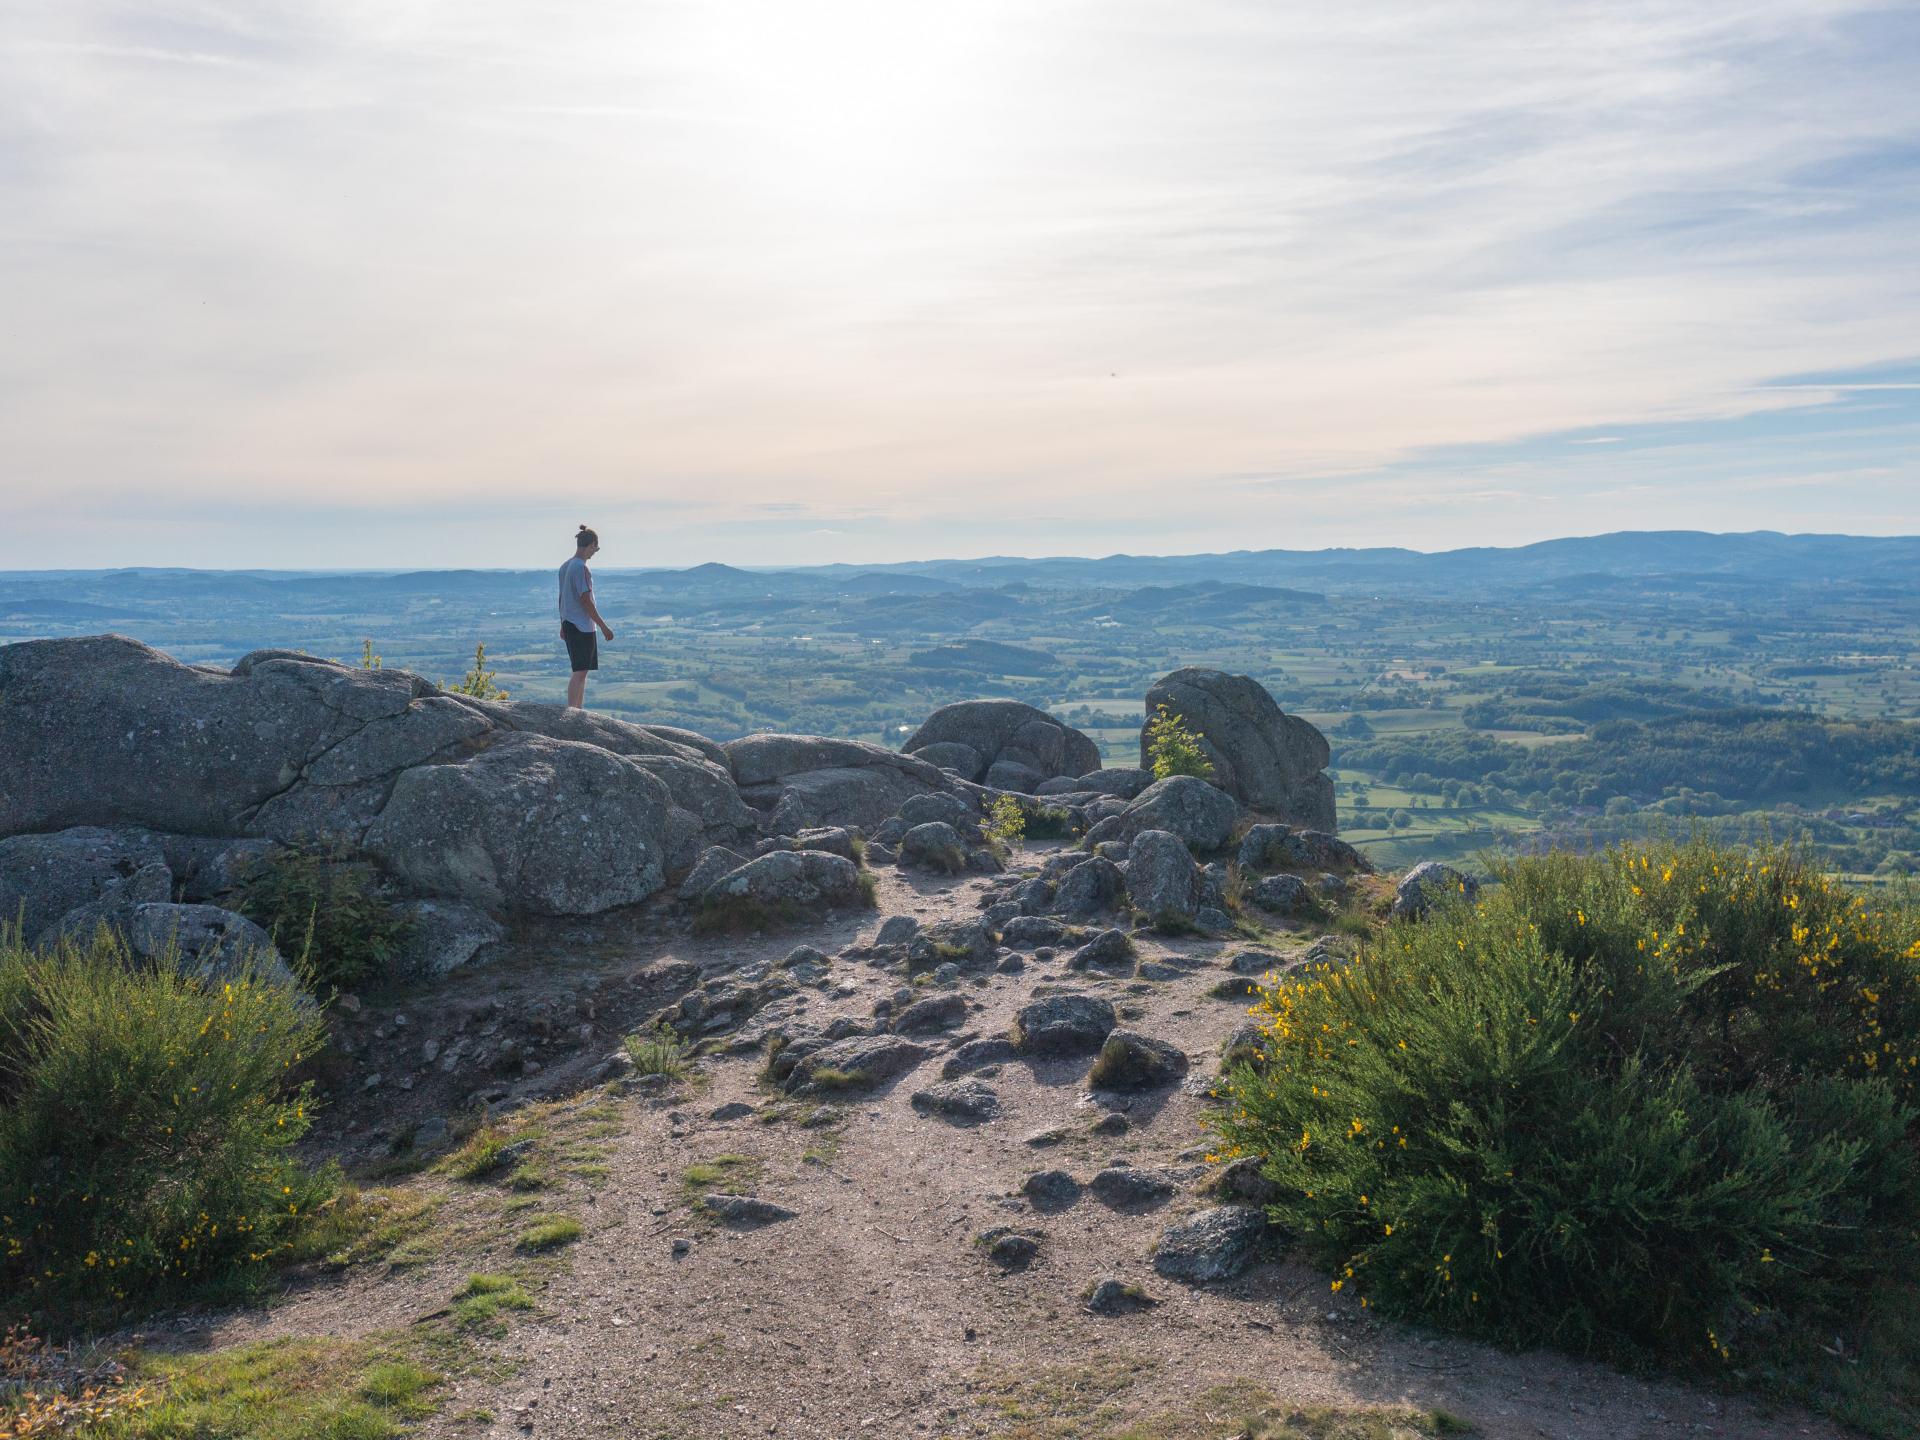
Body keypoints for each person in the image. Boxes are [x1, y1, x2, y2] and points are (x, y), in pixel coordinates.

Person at [558, 524, 614, 708]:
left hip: (569, 622)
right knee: (580, 671)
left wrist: (562, 623)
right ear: (590, 545)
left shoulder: (565, 566)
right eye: (595, 549)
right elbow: (586, 600)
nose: (594, 553)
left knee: (580, 669)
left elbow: (562, 598)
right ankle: (574, 711)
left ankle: (576, 710)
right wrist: (603, 626)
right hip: (581, 624)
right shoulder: (581, 568)